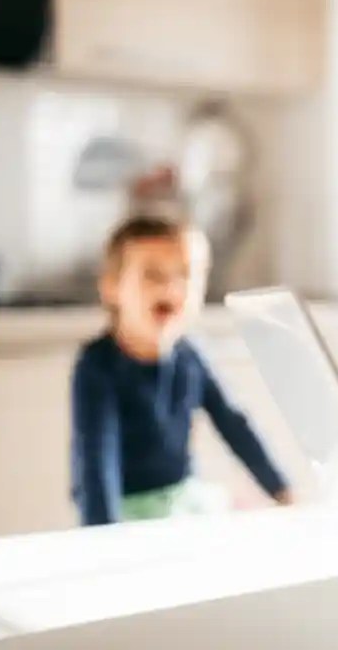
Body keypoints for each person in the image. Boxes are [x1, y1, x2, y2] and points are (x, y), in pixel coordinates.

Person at [70, 216, 293, 525]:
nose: (171, 287)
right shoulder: (97, 367)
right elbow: (96, 463)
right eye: (153, 275)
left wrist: (282, 491)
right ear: (112, 288)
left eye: (186, 275)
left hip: (183, 497)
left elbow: (234, 424)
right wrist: (104, 536)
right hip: (127, 507)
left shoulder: (191, 356)